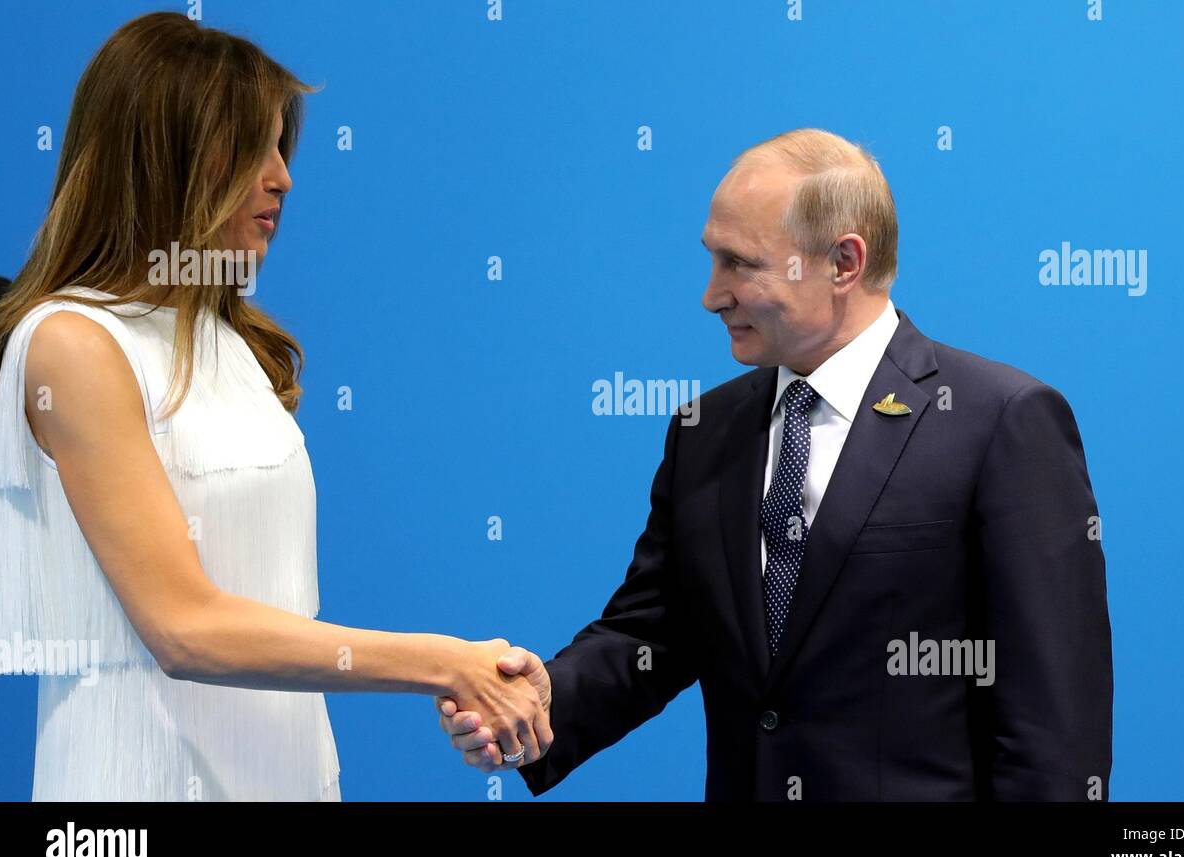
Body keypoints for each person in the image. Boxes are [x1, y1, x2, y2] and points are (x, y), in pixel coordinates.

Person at [437, 128, 1113, 801]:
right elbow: (653, 634)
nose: (712, 294)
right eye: (712, 260)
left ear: (844, 262)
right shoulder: (706, 430)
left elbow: (1053, 727)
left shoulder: (1000, 420)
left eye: (741, 264)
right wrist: (540, 701)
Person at [0, 12, 550, 801]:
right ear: (164, 153)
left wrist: (472, 677)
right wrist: (446, 661)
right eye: (250, 146)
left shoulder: (229, 338)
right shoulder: (74, 344)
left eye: (281, 146)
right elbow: (183, 627)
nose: (282, 175)